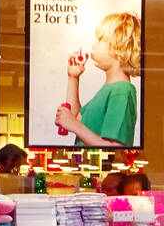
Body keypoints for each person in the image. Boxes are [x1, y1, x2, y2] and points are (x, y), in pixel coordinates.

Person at [55, 12, 141, 148]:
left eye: (100, 40)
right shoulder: (109, 90)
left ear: (118, 47)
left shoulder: (122, 90)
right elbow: (76, 117)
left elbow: (116, 147)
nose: (94, 45)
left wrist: (74, 125)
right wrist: (73, 77)